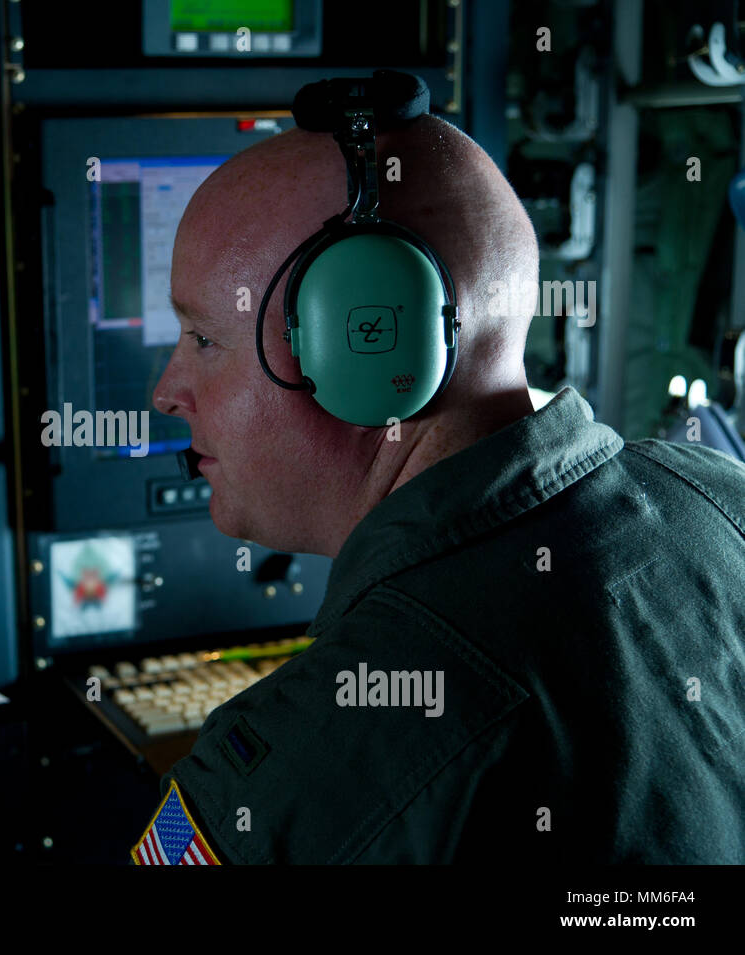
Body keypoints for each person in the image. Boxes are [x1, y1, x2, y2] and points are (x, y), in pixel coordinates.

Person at [134, 112, 745, 864]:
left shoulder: (305, 766)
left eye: (202, 340)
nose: (168, 392)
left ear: (370, 349)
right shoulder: (721, 493)